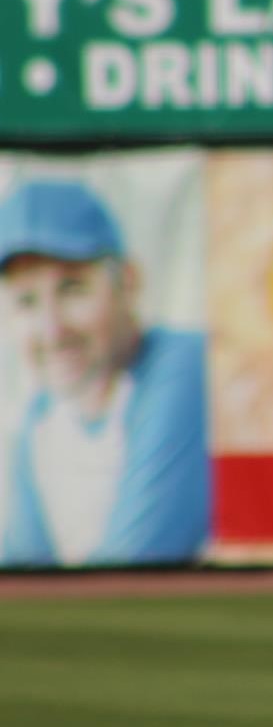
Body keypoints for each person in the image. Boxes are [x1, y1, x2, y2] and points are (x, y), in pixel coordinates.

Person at [0, 180, 208, 568]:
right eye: (26, 301)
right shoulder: (38, 421)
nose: (51, 330)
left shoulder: (183, 367)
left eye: (72, 289)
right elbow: (22, 577)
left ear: (127, 282)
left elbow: (130, 573)